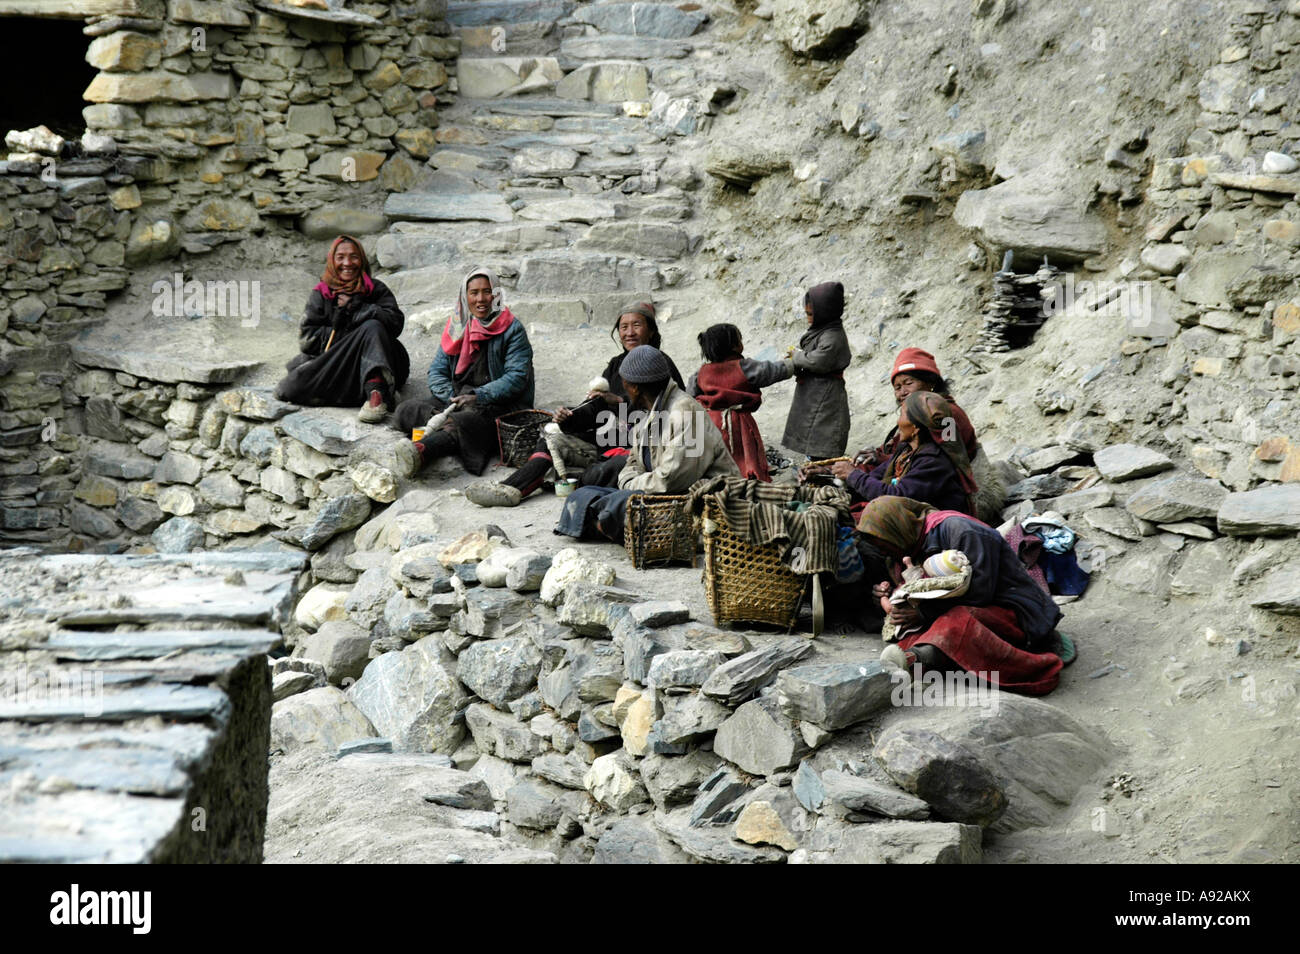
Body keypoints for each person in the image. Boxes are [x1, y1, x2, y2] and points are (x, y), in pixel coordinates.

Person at [465, 302, 685, 507]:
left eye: (636, 325)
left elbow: (670, 413)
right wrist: (570, 415)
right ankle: (511, 489)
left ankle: (570, 480)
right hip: (605, 441)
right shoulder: (616, 365)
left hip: (642, 449)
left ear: (652, 331)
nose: (629, 332)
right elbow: (594, 406)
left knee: (614, 468)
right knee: (550, 438)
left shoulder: (661, 364)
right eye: (623, 327)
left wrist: (619, 401)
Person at [857, 497, 1065, 695]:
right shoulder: (911, 544)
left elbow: (981, 591)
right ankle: (926, 657)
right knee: (912, 632)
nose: (886, 552)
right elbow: (919, 588)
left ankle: (917, 659)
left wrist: (922, 613)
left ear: (896, 528)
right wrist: (890, 598)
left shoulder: (963, 531)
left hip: (1014, 610)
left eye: (885, 544)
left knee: (958, 622)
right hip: (963, 606)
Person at [556, 344, 739, 543]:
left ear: (634, 387)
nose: (623, 387)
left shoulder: (685, 413)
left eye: (624, 383)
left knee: (616, 503)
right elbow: (633, 461)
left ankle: (608, 526)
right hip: (657, 489)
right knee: (583, 495)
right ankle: (605, 525)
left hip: (697, 500)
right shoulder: (651, 410)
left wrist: (629, 486)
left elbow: (669, 481)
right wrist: (628, 482)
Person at [391, 267, 534, 475]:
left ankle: (422, 451)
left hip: (498, 405)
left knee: (465, 422)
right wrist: (452, 398)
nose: (481, 299)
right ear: (465, 296)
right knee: (406, 410)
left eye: (487, 291)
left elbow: (516, 378)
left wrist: (477, 396)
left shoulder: (512, 329)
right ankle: (447, 425)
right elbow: (437, 371)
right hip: (458, 399)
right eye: (474, 293)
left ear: (497, 295)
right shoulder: (457, 326)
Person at [275, 235, 408, 422]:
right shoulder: (321, 293)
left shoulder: (376, 290)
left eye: (354, 256)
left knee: (373, 327)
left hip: (380, 360)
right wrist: (346, 333)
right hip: (339, 362)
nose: (347, 263)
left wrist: (360, 310)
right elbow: (307, 340)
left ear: (361, 260)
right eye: (341, 257)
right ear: (332, 260)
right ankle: (379, 391)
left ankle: (376, 394)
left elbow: (395, 324)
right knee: (289, 389)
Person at [827, 390, 977, 514]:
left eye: (902, 415)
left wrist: (853, 475)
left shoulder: (934, 462)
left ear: (916, 428)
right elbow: (875, 478)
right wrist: (829, 475)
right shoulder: (906, 450)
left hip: (933, 529)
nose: (898, 422)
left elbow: (897, 496)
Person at [688, 323, 794, 481]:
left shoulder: (701, 372)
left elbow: (689, 395)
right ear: (735, 346)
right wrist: (792, 364)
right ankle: (748, 482)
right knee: (744, 459)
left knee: (716, 458)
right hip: (739, 424)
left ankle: (718, 483)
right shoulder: (744, 367)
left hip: (710, 423)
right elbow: (769, 371)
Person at [782, 281, 852, 461]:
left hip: (825, 394)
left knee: (822, 430)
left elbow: (817, 361)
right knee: (810, 429)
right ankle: (812, 460)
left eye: (811, 314)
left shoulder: (833, 337)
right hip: (814, 391)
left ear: (825, 313)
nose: (809, 319)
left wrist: (796, 356)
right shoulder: (823, 329)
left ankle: (820, 467)